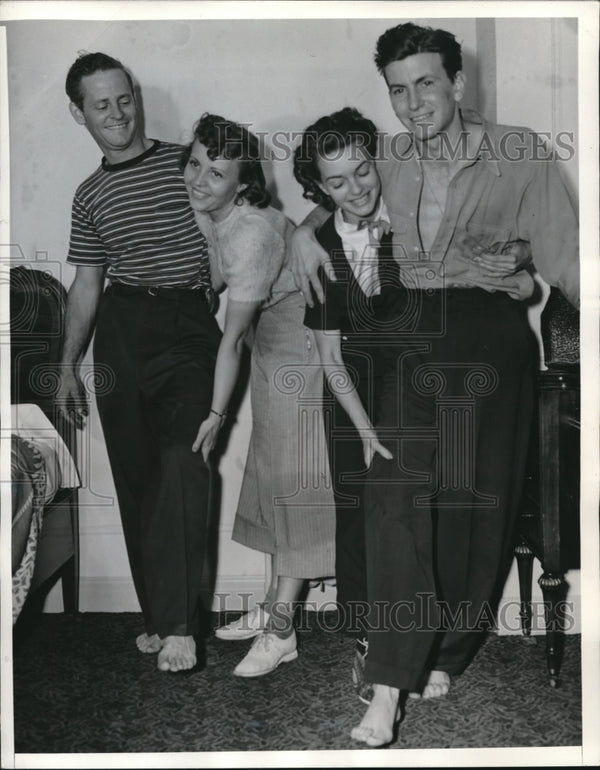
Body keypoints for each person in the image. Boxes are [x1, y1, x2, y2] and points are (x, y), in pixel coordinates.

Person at [290, 23, 579, 746]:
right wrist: (301, 230)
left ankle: (443, 651)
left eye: (425, 83)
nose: (413, 103)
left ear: (457, 81)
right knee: (395, 491)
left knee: (472, 504)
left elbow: (570, 261)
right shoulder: (387, 156)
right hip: (409, 335)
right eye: (397, 90)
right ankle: (390, 680)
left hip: (488, 334)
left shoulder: (520, 152)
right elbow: (340, 192)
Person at [58, 52, 221, 672]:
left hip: (187, 328)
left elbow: (240, 218)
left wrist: (216, 286)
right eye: (102, 104)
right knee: (138, 478)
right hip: (123, 329)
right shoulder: (89, 195)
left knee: (184, 458)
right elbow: (87, 284)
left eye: (124, 99)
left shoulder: (186, 162)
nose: (118, 113)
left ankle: (180, 626)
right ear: (79, 114)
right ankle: (158, 615)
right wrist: (68, 365)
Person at [183, 113, 336, 677]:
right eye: (194, 164)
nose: (199, 179)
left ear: (242, 182)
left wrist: (215, 413)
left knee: (295, 489)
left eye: (216, 173)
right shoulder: (221, 214)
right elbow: (215, 280)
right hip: (274, 348)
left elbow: (230, 338)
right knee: (274, 481)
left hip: (302, 352)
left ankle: (282, 630)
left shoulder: (250, 233)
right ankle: (274, 605)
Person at [293, 107, 394, 703]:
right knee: (356, 517)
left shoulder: (412, 215)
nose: (355, 188)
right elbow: (330, 358)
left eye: (362, 170)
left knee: (414, 513)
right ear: (320, 188)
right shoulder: (320, 246)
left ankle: (419, 641)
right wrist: (364, 430)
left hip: (414, 387)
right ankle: (365, 641)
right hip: (351, 397)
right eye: (337, 181)